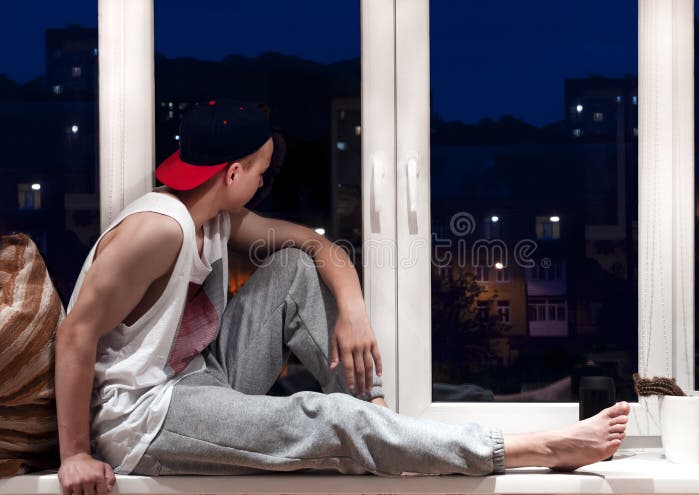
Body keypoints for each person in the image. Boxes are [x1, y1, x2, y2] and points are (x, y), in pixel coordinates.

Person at [55, 100, 630, 495]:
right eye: (260, 172)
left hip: (202, 378)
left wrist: (352, 312)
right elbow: (75, 333)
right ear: (232, 173)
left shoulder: (216, 220)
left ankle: (381, 424)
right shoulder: (159, 230)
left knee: (293, 268)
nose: (263, 182)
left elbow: (315, 247)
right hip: (144, 417)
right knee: (326, 417)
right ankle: (535, 447)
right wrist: (74, 454)